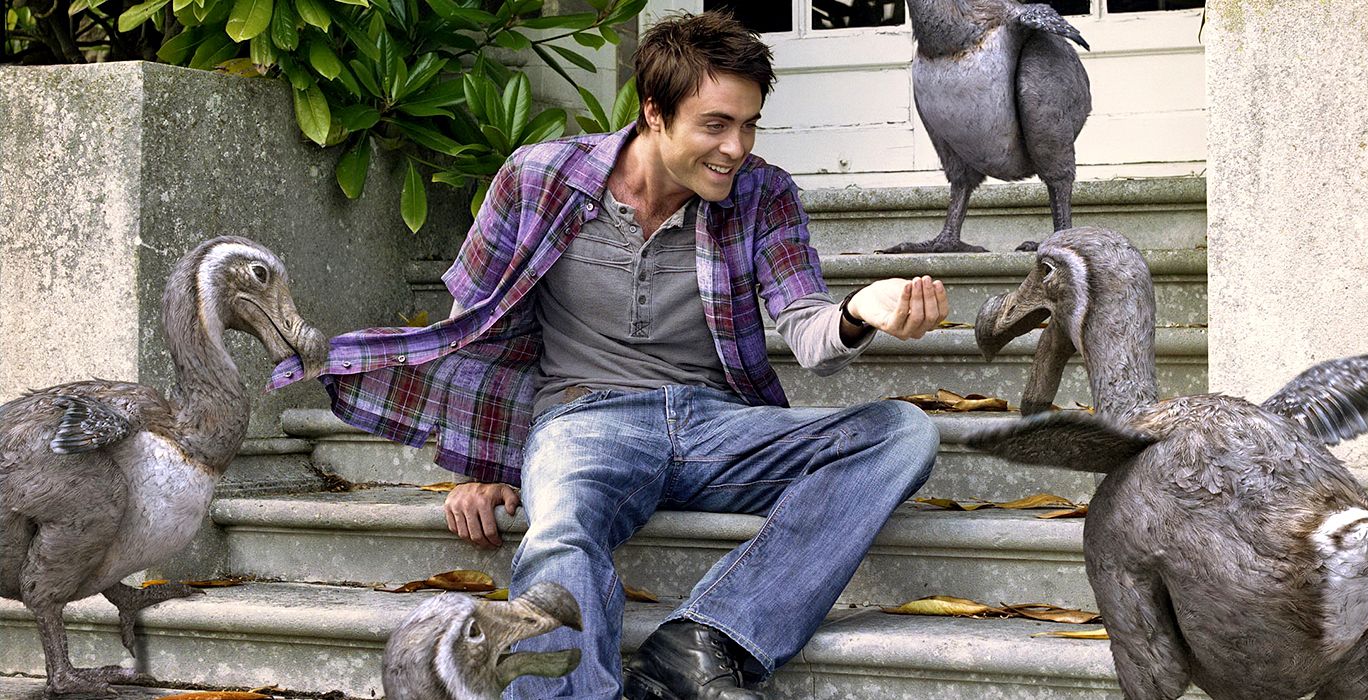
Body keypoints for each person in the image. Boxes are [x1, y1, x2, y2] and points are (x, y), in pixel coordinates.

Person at [271, 11, 946, 699]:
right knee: (559, 534)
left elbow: (807, 328)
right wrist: (480, 467)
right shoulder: (539, 178)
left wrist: (858, 314)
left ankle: (707, 638)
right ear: (654, 111)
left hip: (717, 425)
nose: (736, 147)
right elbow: (474, 326)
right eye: (716, 125)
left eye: (749, 125)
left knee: (902, 432)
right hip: (583, 420)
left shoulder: (761, 194)